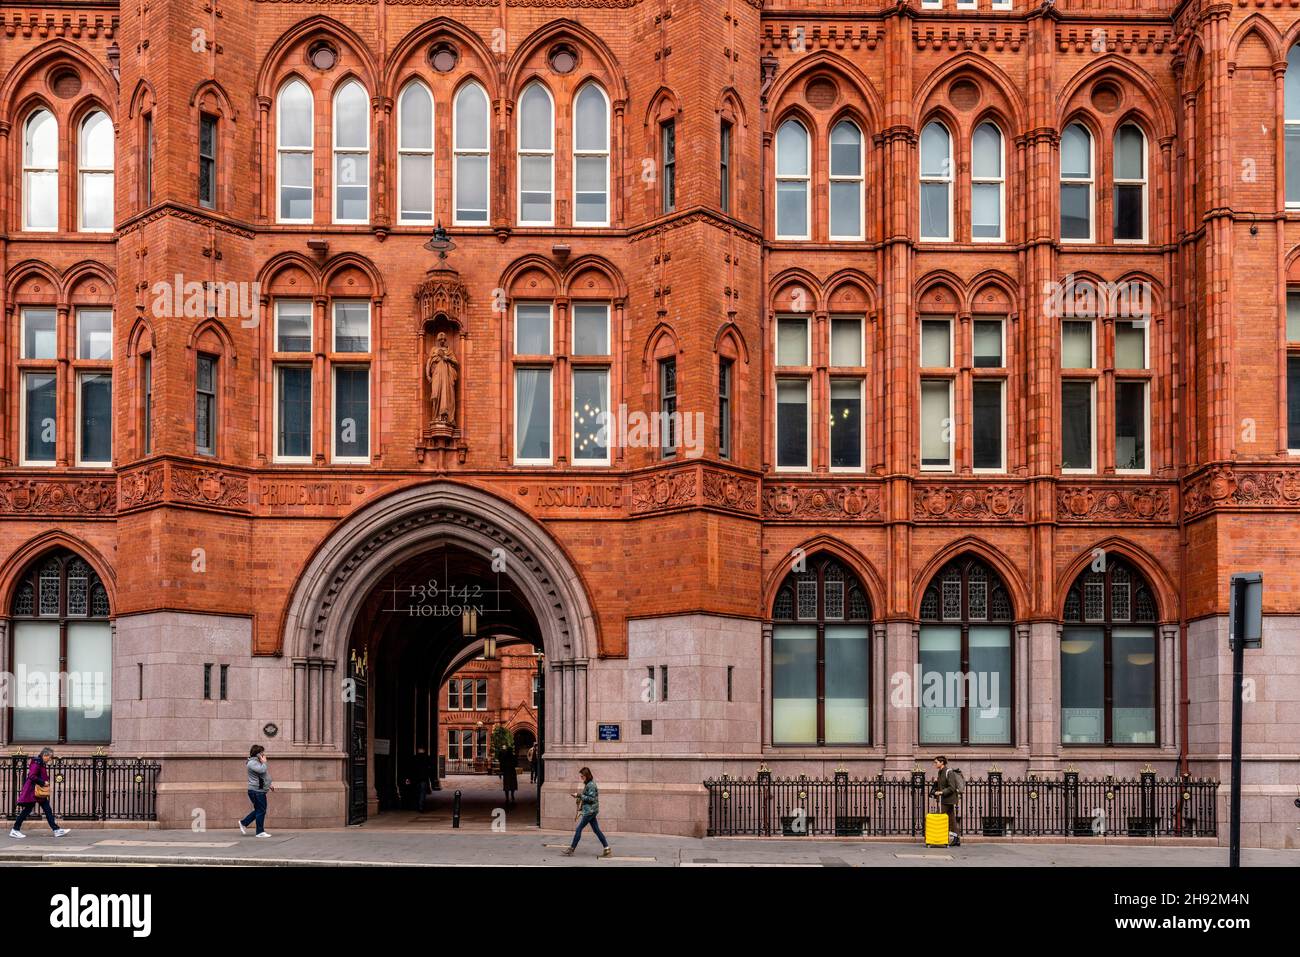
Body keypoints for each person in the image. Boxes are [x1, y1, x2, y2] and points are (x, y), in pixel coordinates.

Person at [8, 747, 70, 839]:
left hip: (37, 791)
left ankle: (56, 830)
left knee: (47, 810)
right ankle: (15, 830)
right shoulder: (37, 763)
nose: (50, 759)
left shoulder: (40, 762)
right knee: (28, 810)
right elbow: (32, 776)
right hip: (33, 791)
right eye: (50, 757)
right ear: (45, 755)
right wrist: (43, 782)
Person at [561, 766, 610, 858]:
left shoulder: (591, 785)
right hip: (591, 810)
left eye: (582, 776)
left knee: (579, 829)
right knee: (596, 830)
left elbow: (591, 799)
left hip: (590, 811)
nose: (581, 778)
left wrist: (579, 795)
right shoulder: (588, 784)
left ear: (587, 775)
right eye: (581, 776)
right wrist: (580, 801)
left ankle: (571, 849)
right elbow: (587, 797)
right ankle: (607, 849)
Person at [239, 745, 273, 837]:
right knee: (261, 810)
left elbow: (262, 776)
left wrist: (269, 784)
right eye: (262, 752)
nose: (263, 754)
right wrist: (264, 762)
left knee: (259, 810)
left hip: (259, 790)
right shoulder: (252, 763)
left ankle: (244, 823)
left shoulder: (256, 762)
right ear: (257, 754)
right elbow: (262, 770)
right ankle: (260, 832)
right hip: (256, 791)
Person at [931, 755, 961, 847]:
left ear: (942, 762)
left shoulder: (949, 772)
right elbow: (943, 784)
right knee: (952, 820)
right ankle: (956, 839)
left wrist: (941, 792)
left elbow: (952, 787)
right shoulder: (940, 772)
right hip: (945, 800)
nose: (935, 764)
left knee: (937, 816)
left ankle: (936, 837)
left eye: (936, 762)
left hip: (948, 800)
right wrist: (936, 782)